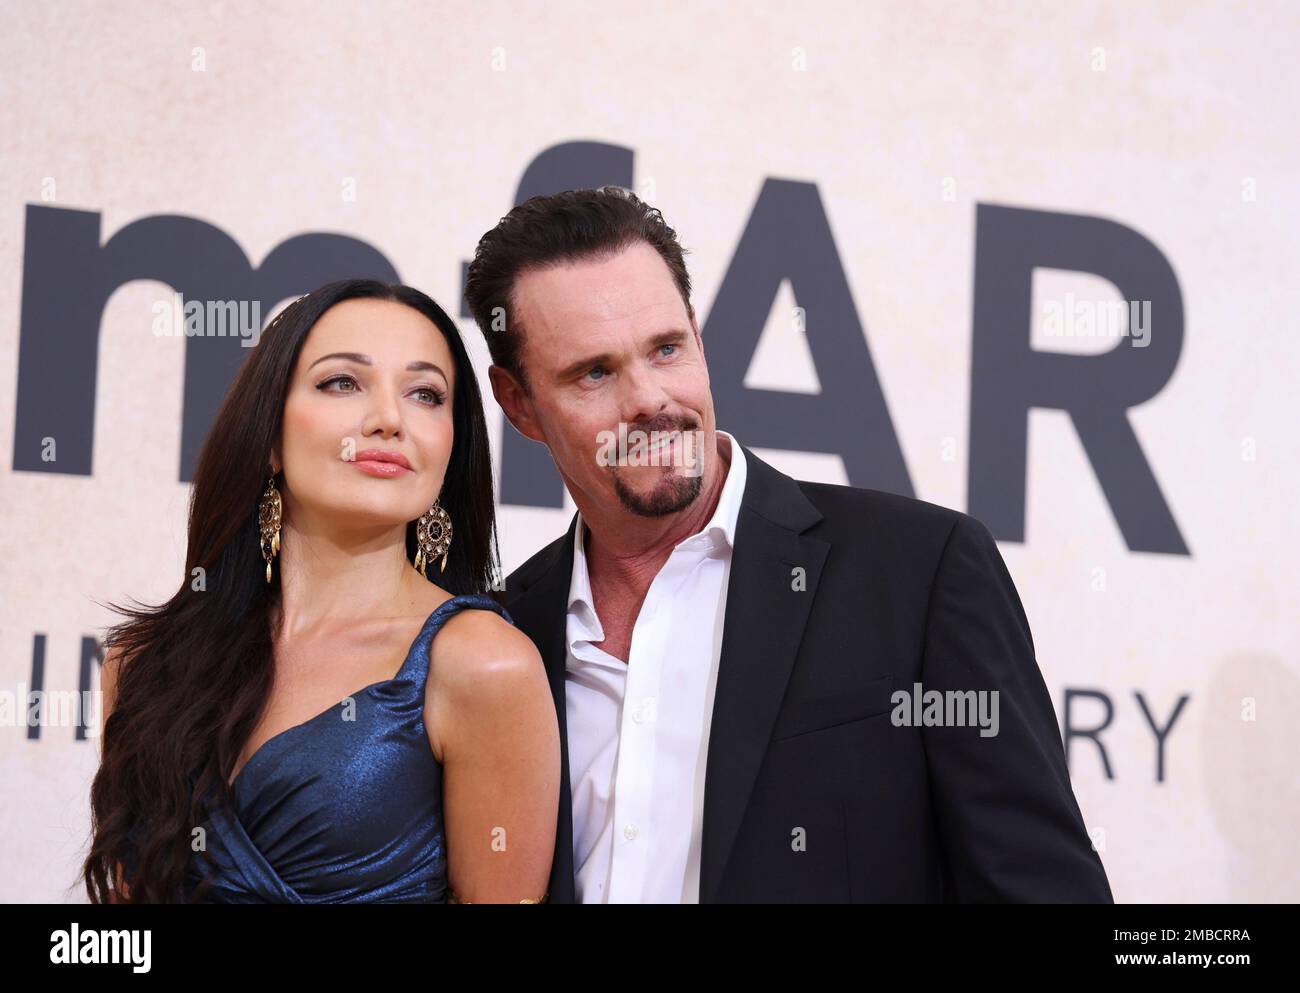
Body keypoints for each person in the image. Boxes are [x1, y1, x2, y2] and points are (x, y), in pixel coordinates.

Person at [464, 186, 1114, 903]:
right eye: (595, 372)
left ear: (699, 341)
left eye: (667, 348)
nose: (649, 398)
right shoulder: (499, 637)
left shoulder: (919, 573)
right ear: (518, 403)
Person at [83, 278, 558, 903]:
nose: (389, 419)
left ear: (450, 447)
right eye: (342, 382)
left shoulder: (482, 664)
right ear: (271, 436)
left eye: (425, 394)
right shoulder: (144, 664)